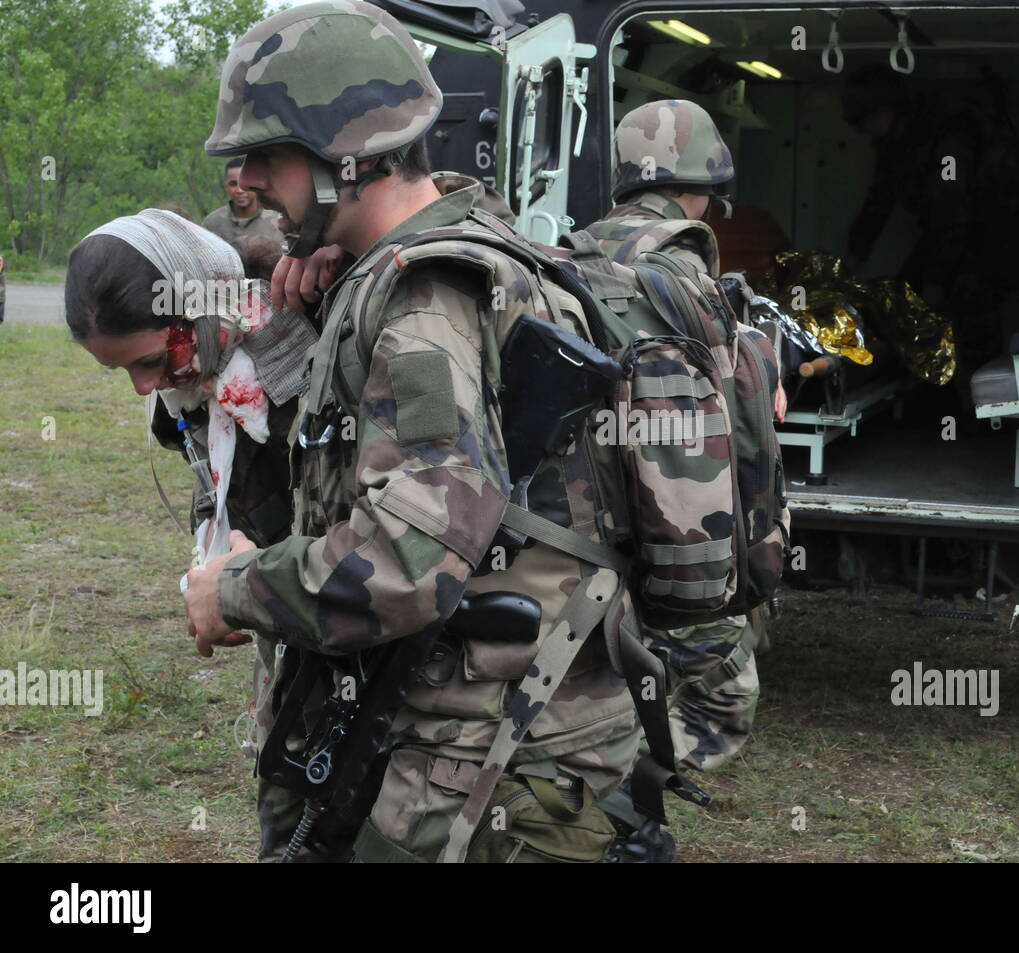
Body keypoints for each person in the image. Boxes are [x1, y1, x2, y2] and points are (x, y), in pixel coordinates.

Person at [185, 0, 640, 863]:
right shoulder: (459, 243)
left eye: (266, 154)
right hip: (489, 728)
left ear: (346, 157)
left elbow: (410, 559)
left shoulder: (426, 299)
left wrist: (235, 587)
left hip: (495, 757)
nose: (245, 181)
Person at [62, 207, 321, 860]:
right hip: (294, 637)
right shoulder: (202, 365)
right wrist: (216, 559)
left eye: (148, 360)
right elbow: (219, 488)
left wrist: (243, 583)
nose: (143, 387)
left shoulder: (312, 359)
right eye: (122, 370)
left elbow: (370, 551)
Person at [585, 99, 770, 861]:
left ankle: (613, 805)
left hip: (581, 547)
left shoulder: (560, 259)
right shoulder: (692, 284)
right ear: (706, 189)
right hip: (679, 540)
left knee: (594, 687)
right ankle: (624, 811)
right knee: (719, 694)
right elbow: (750, 446)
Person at [202, 158, 282, 246]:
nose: (239, 190)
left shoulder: (279, 221)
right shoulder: (212, 222)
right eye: (233, 184)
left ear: (256, 185)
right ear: (226, 187)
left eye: (245, 184)